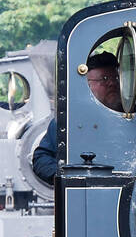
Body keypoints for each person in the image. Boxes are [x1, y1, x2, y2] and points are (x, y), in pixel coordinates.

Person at [32, 51, 129, 183]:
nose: (112, 83)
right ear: (86, 84)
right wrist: (67, 178)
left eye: (115, 78)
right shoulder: (68, 120)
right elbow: (41, 158)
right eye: (104, 79)